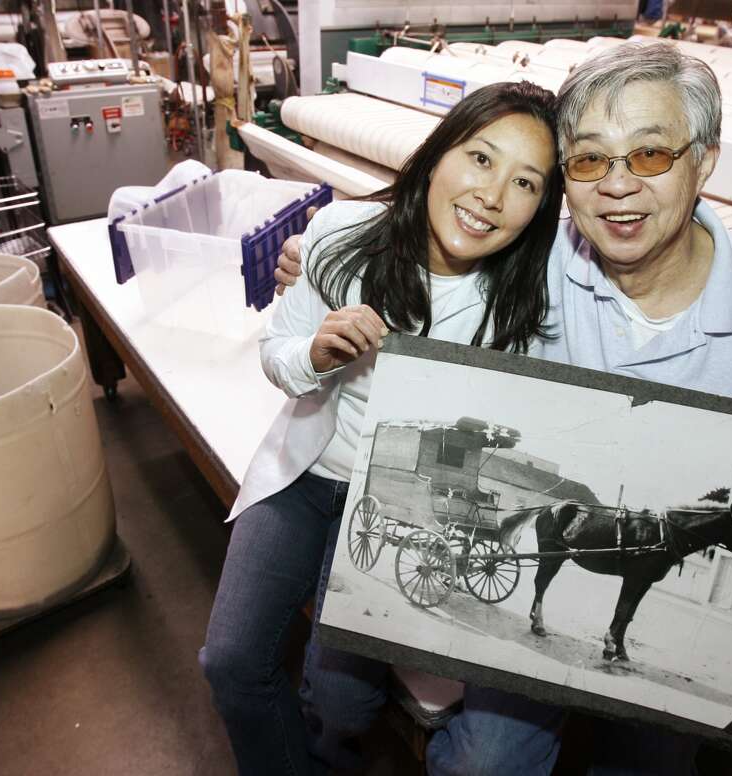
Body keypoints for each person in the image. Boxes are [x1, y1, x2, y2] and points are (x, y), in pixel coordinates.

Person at [271, 41, 732, 774]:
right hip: (527, 575)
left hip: (686, 654)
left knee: (652, 757)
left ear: (704, 161)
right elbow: (422, 252)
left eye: (649, 155)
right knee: (483, 765)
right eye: (588, 160)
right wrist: (318, 260)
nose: (617, 187)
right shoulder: (531, 258)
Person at [198, 80, 565, 776]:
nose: (492, 195)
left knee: (340, 703)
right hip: (310, 476)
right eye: (480, 159)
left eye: (525, 182)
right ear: (437, 154)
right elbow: (277, 355)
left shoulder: (524, 305)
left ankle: (328, 745)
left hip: (411, 507)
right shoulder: (341, 235)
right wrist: (315, 351)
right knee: (232, 661)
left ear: (542, 206)